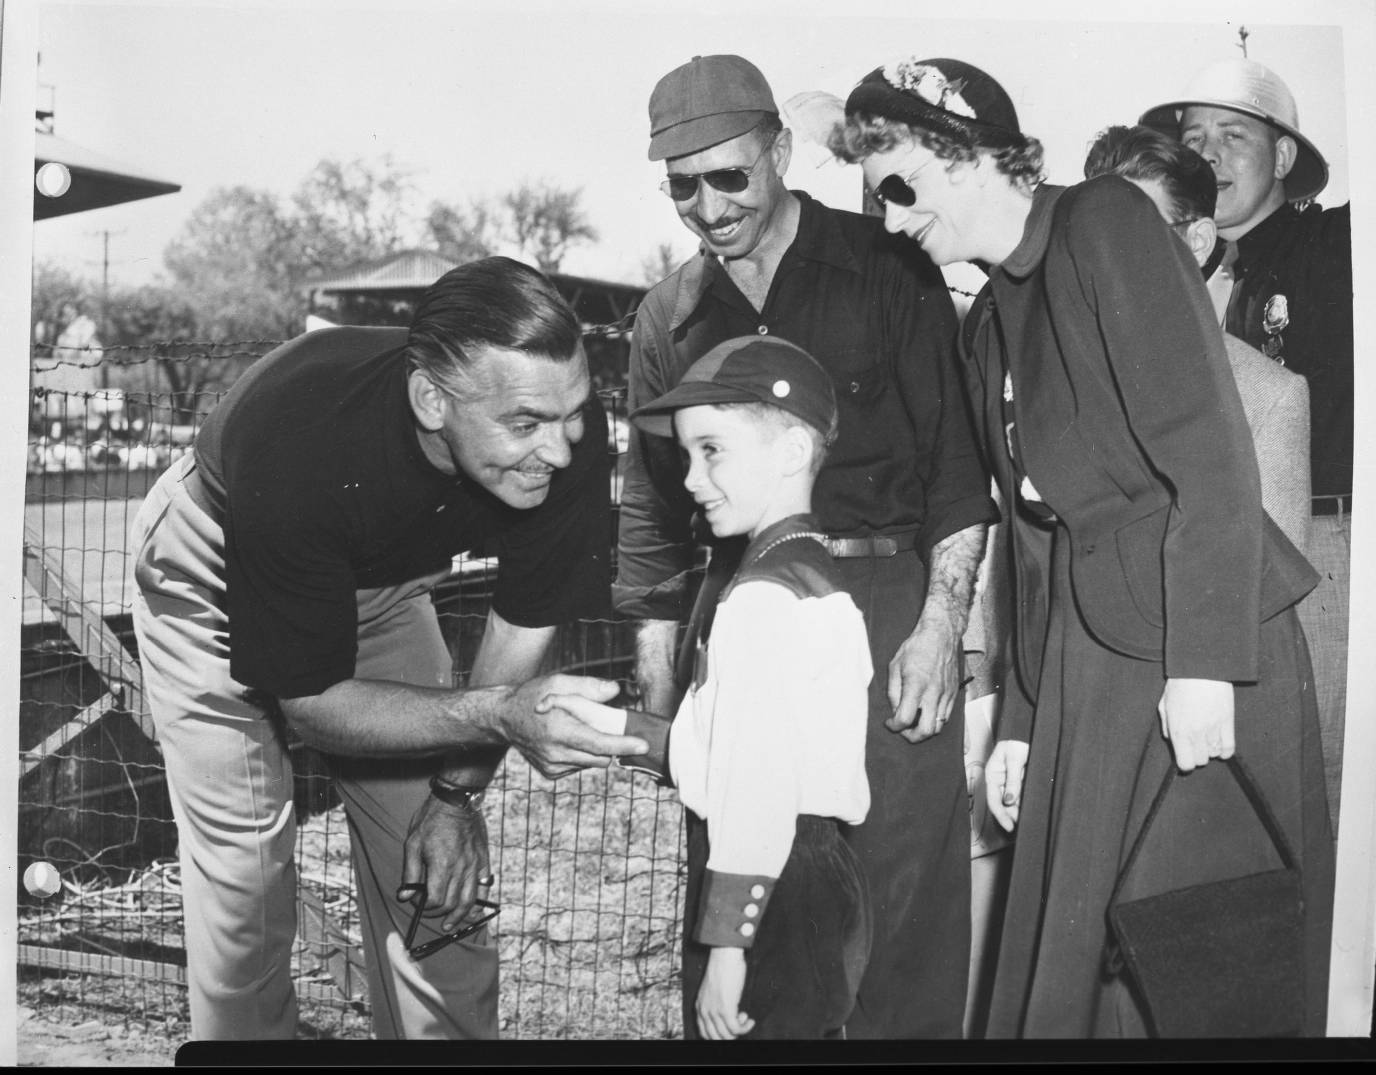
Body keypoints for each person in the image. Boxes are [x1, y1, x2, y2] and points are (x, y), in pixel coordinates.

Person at [831, 55, 1334, 1037]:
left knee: (1204, 957)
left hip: (1200, 637)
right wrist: (1020, 719)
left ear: (967, 155)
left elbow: (1207, 447)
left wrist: (1203, 663)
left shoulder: (1102, 222)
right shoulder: (988, 322)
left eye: (900, 186)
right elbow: (1034, 541)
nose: (889, 220)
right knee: (1080, 973)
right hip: (1087, 657)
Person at [130, 256, 648, 1041]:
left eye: (572, 414)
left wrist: (456, 798)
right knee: (245, 881)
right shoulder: (301, 438)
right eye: (525, 425)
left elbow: (522, 625)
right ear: (431, 399)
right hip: (217, 565)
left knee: (438, 872)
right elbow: (317, 707)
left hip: (378, 582)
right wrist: (496, 715)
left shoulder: (558, 419)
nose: (561, 450)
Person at [614, 53, 997, 1039]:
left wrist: (939, 627)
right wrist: (660, 691)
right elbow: (652, 522)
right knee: (750, 910)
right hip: (743, 609)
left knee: (900, 918)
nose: (708, 207)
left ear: (780, 152)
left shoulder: (888, 268)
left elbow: (957, 472)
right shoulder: (665, 318)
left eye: (728, 175)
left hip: (886, 608)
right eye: (682, 186)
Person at [561, 335, 873, 1038]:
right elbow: (736, 746)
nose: (692, 478)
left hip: (766, 877)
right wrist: (615, 730)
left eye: (712, 451)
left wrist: (729, 945)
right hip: (798, 864)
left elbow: (756, 783)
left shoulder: (761, 598)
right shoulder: (805, 576)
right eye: (686, 455)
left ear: (791, 451)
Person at [1141, 59, 1352, 829]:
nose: (1208, 153)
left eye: (1233, 134)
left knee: (1314, 782)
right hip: (1195, 557)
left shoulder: (1333, 246)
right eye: (1194, 137)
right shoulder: (1156, 264)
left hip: (1316, 550)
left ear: (1284, 156)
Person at [1083, 124, 1312, 552]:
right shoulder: (1044, 372)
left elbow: (1274, 585)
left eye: (1135, 231)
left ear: (1199, 242)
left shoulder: (1265, 399)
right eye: (1090, 232)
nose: (1107, 254)